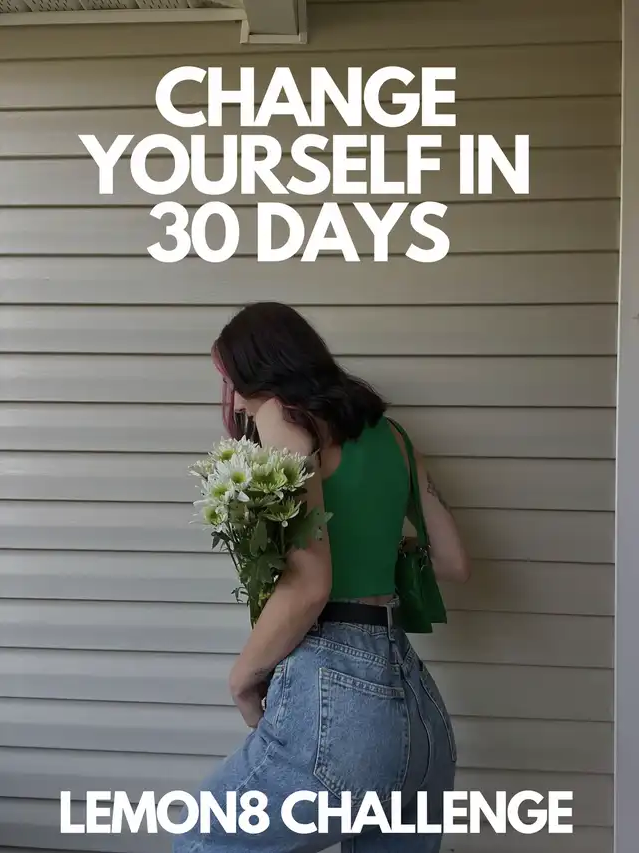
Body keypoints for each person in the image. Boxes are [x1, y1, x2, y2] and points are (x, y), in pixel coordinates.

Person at [173, 301, 471, 853]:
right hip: (418, 711)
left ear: (261, 372)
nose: (234, 402)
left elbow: (309, 586)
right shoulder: (394, 437)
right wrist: (374, 538)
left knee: (204, 839)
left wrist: (242, 680)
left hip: (343, 694)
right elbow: (453, 561)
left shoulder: (282, 417)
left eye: (234, 383)